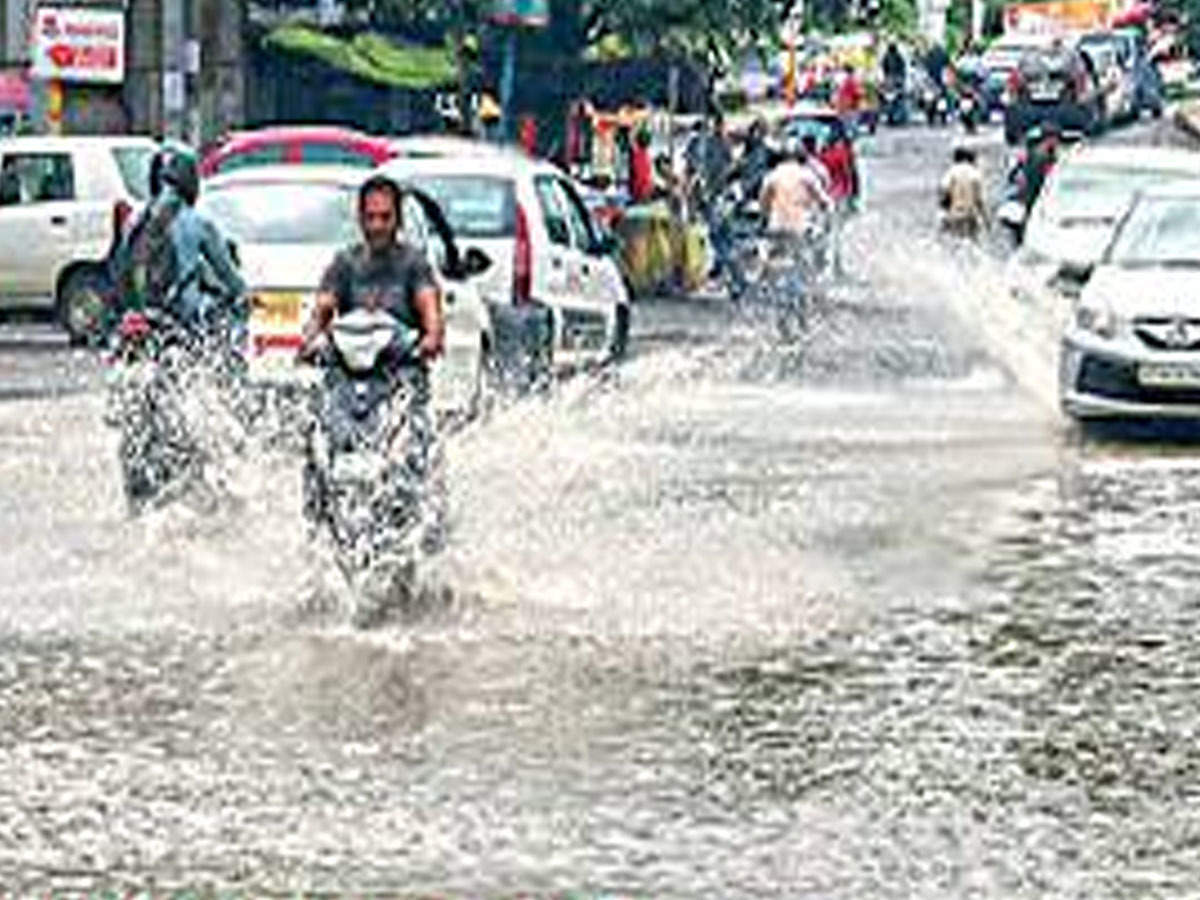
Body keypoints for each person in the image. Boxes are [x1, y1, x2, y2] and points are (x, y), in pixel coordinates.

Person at [299, 174, 446, 535]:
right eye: (370, 217)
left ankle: (419, 517)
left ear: (398, 220)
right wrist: (310, 339)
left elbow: (430, 306)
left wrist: (431, 337)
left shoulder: (414, 264)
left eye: (385, 217)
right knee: (315, 434)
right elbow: (323, 308)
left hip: (400, 375)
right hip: (350, 379)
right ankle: (318, 516)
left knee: (414, 439)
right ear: (360, 218)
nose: (377, 225)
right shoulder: (344, 264)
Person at [111, 147, 245, 331]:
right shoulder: (198, 223)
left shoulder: (136, 220)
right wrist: (244, 294)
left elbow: (119, 265)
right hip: (183, 314)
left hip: (138, 313)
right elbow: (227, 273)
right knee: (221, 325)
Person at [759, 137, 833, 253]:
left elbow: (763, 201)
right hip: (801, 227)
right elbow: (824, 201)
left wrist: (766, 214)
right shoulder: (807, 175)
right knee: (821, 247)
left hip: (776, 227)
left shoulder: (772, 176)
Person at [938, 144, 988, 238]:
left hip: (955, 213)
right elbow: (980, 200)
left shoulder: (951, 172)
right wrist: (986, 220)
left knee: (954, 243)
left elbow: (944, 190)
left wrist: (944, 209)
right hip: (971, 214)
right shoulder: (975, 173)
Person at [1019, 121, 1061, 213]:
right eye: (1056, 138)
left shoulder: (1049, 153)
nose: (1057, 142)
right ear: (1049, 139)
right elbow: (1033, 180)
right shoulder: (1039, 156)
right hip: (1036, 198)